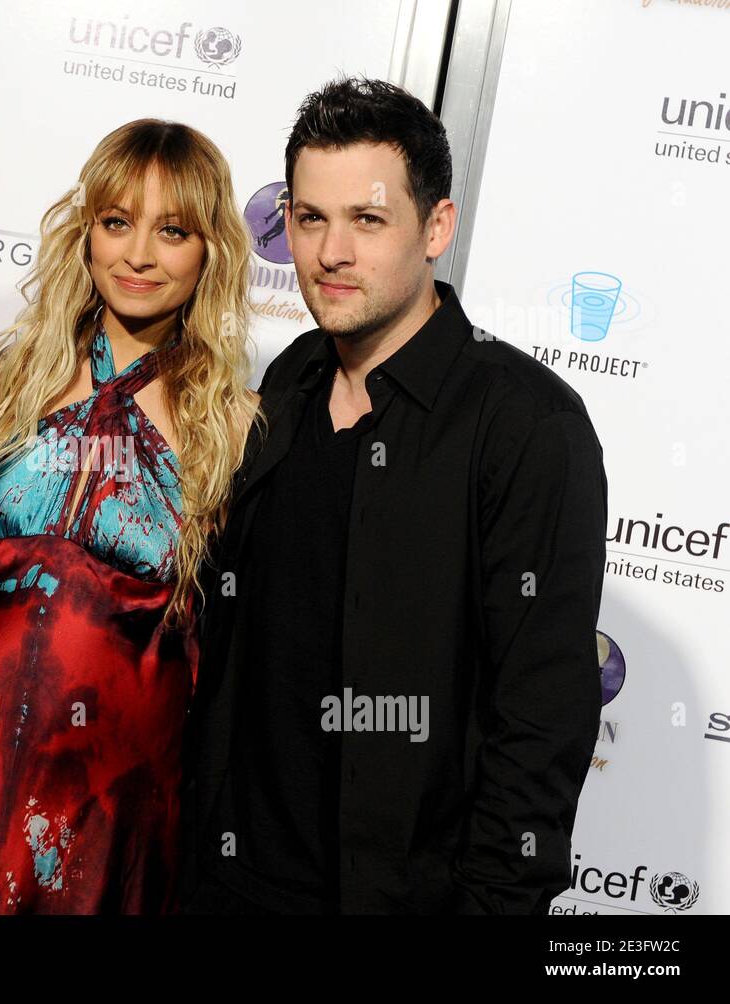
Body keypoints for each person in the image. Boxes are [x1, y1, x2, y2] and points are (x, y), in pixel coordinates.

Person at [183, 76, 608, 915]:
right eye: (310, 218)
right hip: (227, 883)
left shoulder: (526, 425)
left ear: (437, 227)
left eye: (368, 220)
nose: (330, 252)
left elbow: (542, 722)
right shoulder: (292, 381)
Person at [0, 119, 257, 914]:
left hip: (113, 803)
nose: (139, 255)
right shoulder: (8, 383)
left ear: (210, 251)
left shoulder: (234, 426)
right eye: (117, 222)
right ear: (85, 232)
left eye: (173, 231)